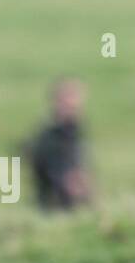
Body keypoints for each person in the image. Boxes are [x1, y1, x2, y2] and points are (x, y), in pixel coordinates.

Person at [27, 78, 92, 210]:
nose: (73, 107)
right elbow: (65, 181)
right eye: (67, 102)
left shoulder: (75, 133)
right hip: (55, 209)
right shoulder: (49, 139)